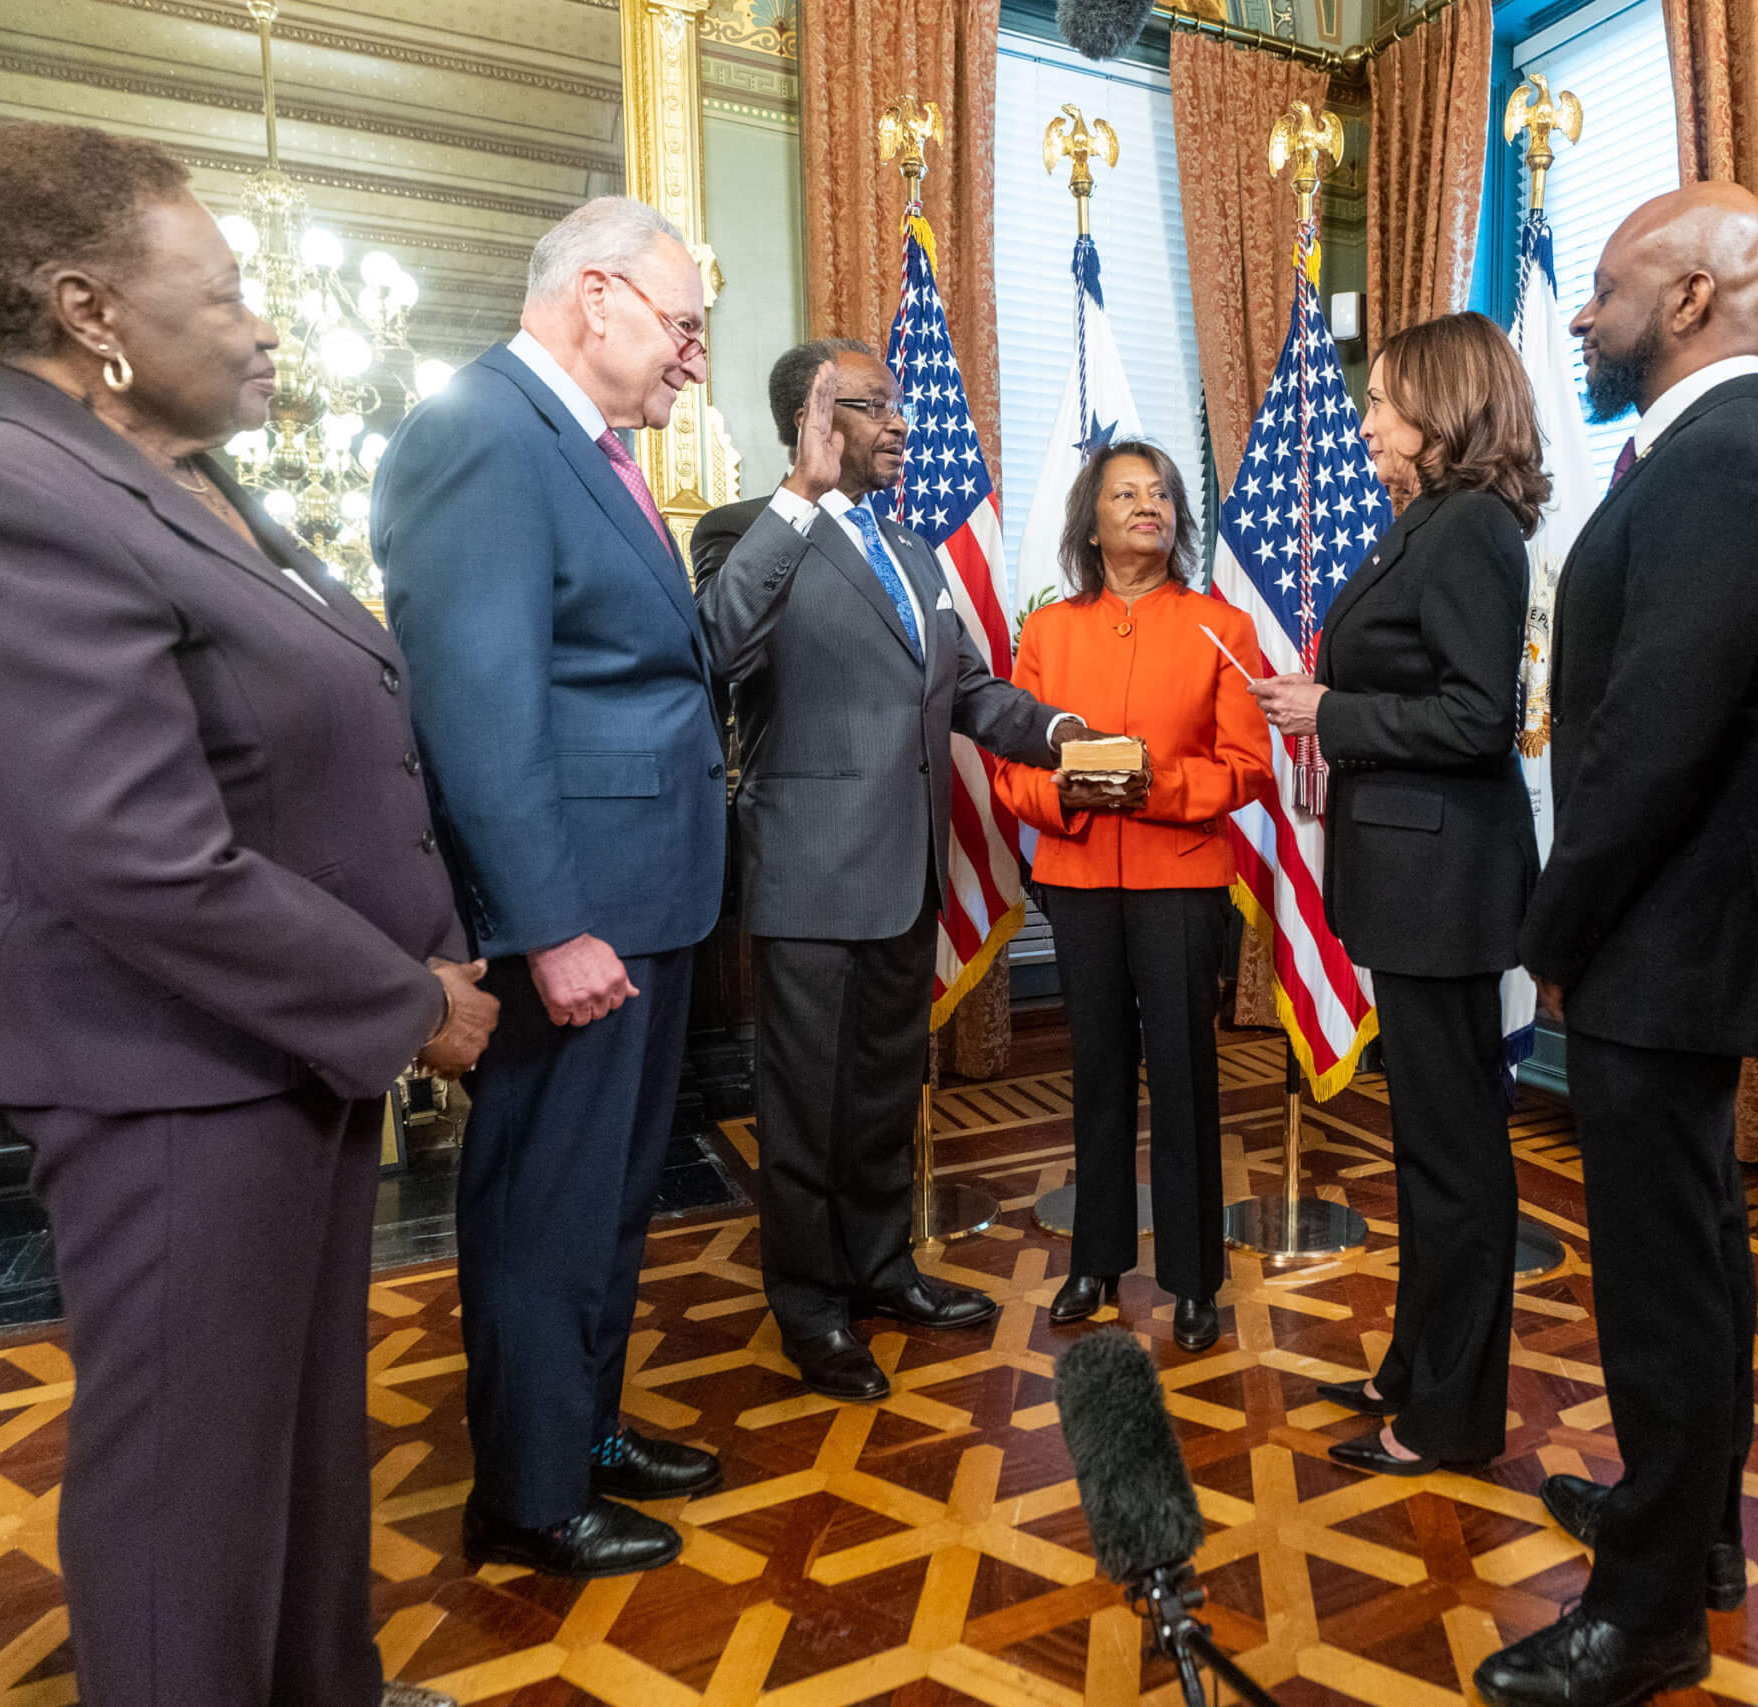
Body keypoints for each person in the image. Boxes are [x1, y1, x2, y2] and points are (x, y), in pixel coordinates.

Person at [0, 122, 492, 1707]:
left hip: (277, 1052)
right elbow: (138, 855)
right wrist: (414, 1003)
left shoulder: (195, 482)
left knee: (292, 1427)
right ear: (92, 312)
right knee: (185, 1484)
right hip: (163, 1063)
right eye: (223, 292)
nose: (261, 321)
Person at [1470, 185, 1758, 1707]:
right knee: (1689, 1252)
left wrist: (1547, 933)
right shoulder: (1710, 453)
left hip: (1662, 933)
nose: (1584, 315)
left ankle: (1648, 1615)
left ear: (1688, 300)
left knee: (1662, 1278)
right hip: (1668, 931)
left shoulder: (1734, 465)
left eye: (1607, 291)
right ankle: (1687, 1533)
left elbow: (1648, 748)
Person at [373, 196, 728, 1579]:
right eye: (682, 325)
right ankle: (525, 1495)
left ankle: (578, 1430)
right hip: (578, 912)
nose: (692, 358)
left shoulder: (580, 448)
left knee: (613, 1194)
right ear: (597, 296)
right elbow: (478, 705)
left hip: (645, 894)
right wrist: (547, 922)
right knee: (545, 1202)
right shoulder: (480, 435)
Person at [690, 341, 1091, 1402]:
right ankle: (810, 1306)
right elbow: (718, 649)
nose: (900, 425)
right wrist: (801, 497)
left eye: (896, 405)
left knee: (877, 1097)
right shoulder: (743, 533)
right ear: (810, 417)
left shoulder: (917, 554)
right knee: (806, 1110)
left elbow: (967, 695)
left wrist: (1055, 729)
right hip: (809, 876)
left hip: (905, 873)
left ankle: (879, 1271)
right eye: (872, 407)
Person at [1248, 310, 1545, 1476]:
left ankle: (1451, 1418)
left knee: (1454, 1161)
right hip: (1412, 879)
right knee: (1424, 1148)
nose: (1365, 421)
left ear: (1442, 406)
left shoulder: (1470, 528)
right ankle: (1412, 1367)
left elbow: (1478, 721)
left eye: (1379, 401)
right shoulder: (1420, 525)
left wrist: (1332, 712)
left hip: (1446, 888)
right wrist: (1330, 694)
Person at [990, 442, 1271, 1354]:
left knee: (1186, 1074)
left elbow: (1247, 769)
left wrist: (1153, 785)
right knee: (1097, 1072)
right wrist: (1065, 794)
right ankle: (1095, 1259)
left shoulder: (1220, 623)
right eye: (1126, 493)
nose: (1147, 506)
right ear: (1094, 518)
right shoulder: (1048, 633)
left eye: (1160, 494)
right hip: (1076, 879)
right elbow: (1009, 768)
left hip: (1181, 880)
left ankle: (1193, 1277)